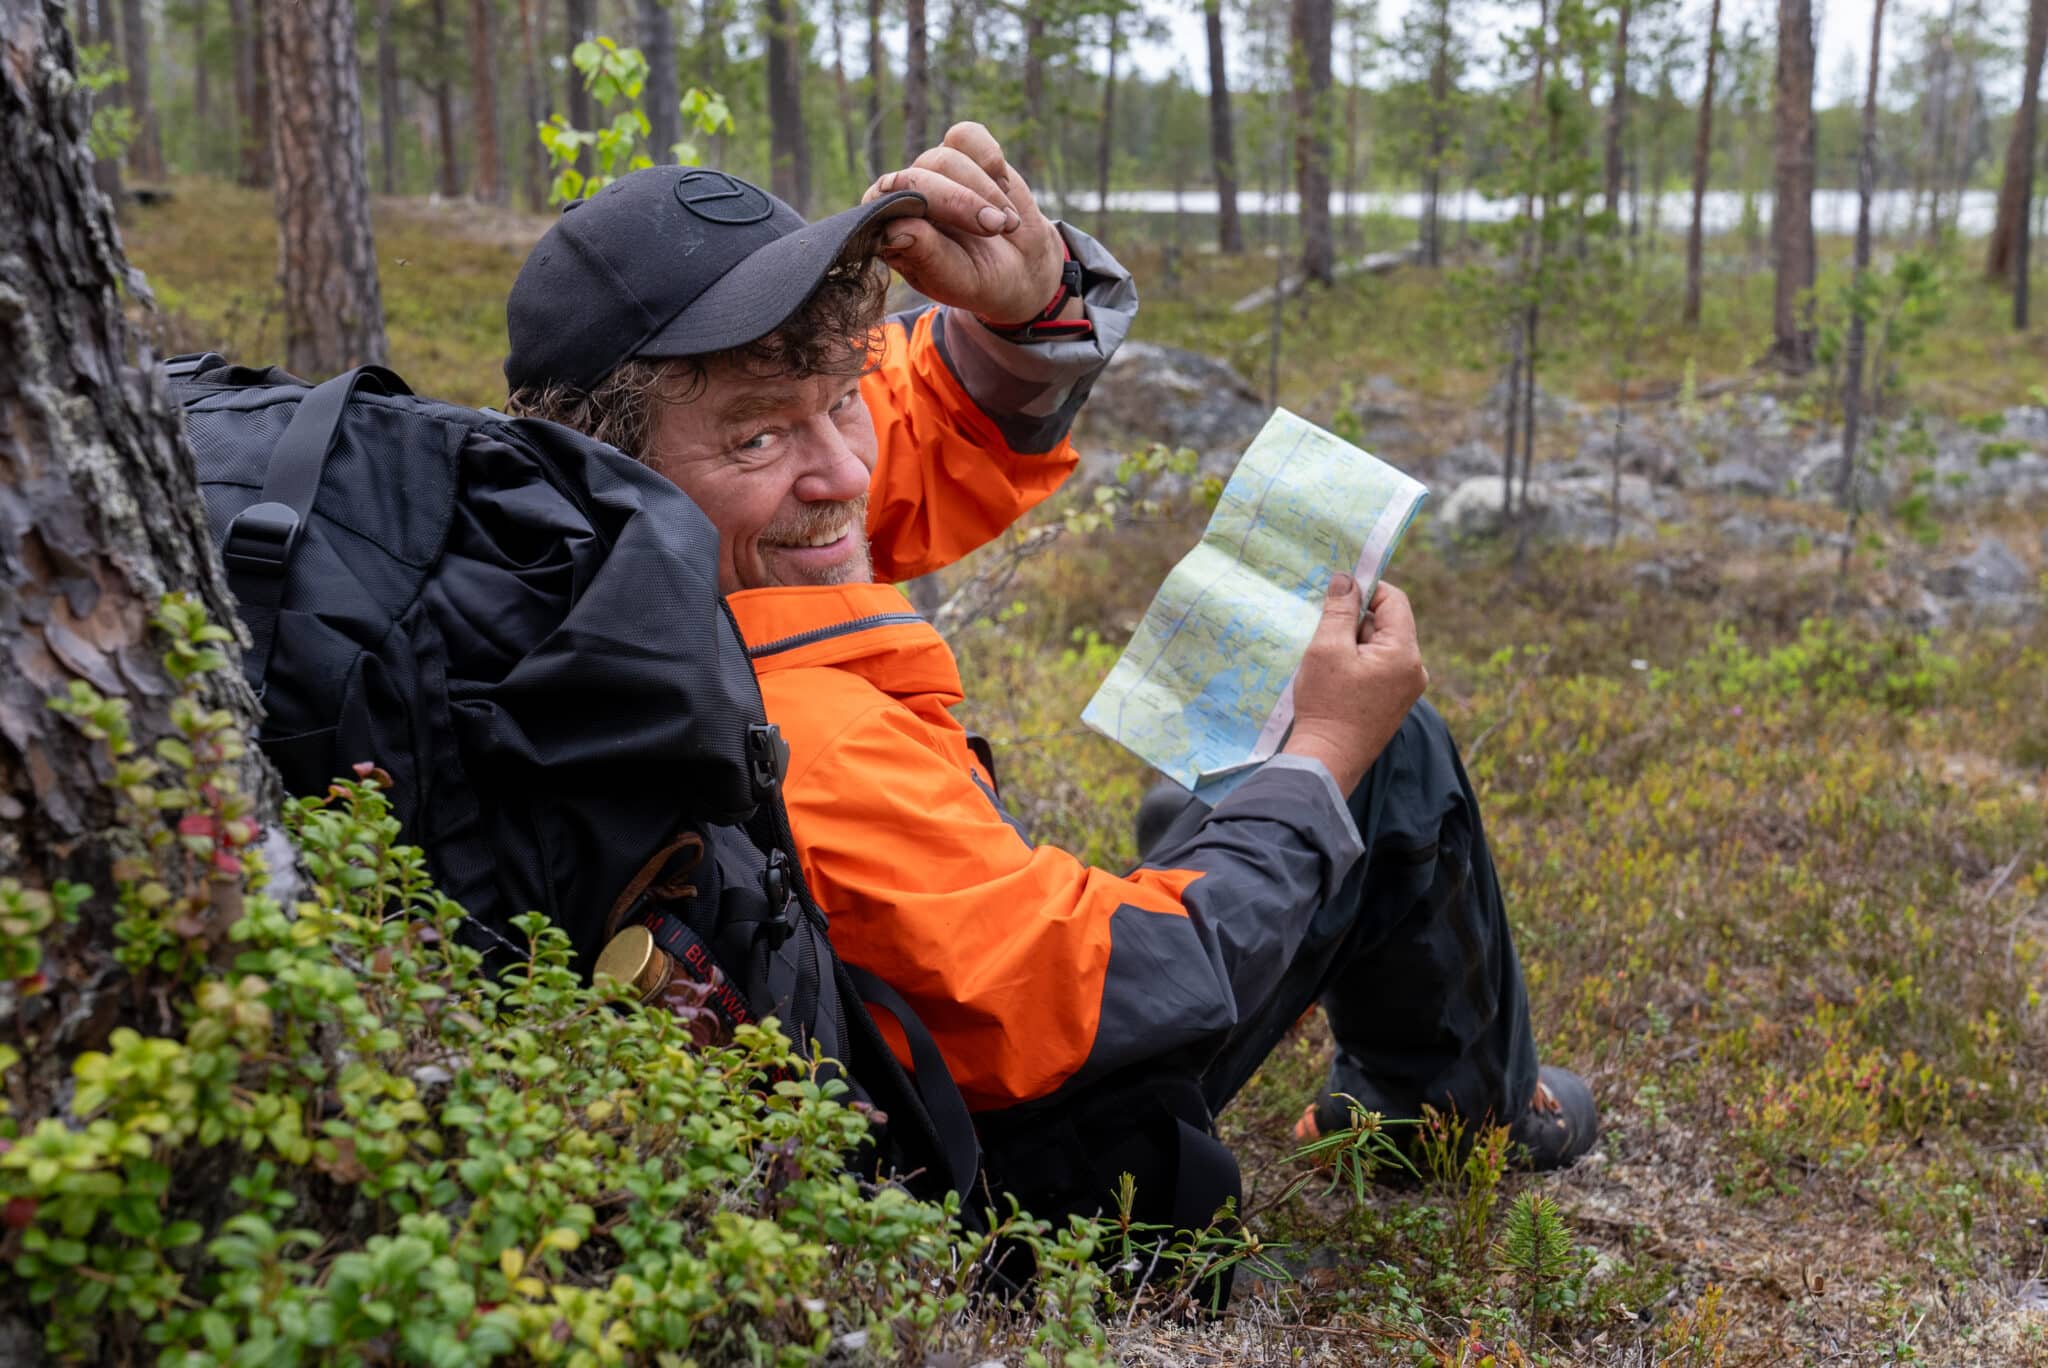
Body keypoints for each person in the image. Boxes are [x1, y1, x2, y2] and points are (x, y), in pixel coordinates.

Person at [502, 124, 1596, 1230]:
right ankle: (1441, 1118)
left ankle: (1418, 1077)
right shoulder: (811, 753)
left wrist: (1029, 307)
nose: (842, 470)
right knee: (1365, 758)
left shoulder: (605, 543)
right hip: (1035, 1166)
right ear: (614, 472)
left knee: (1239, 785)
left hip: (953, 1021)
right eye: (755, 441)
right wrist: (1317, 759)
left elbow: (921, 418)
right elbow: (1137, 991)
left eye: (836, 398)